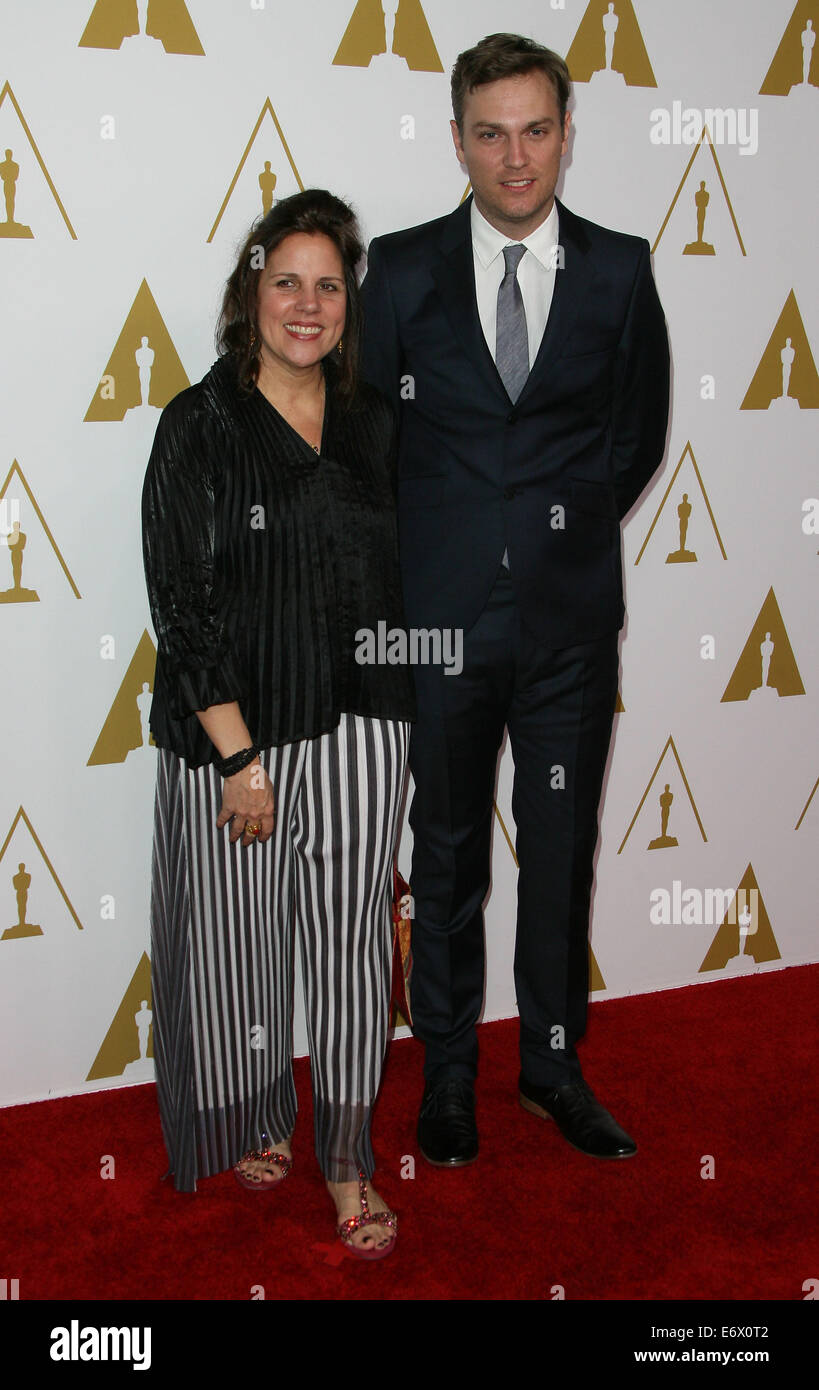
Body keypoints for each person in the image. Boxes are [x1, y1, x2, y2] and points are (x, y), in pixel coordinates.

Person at [361, 34, 670, 1167]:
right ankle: (449, 1074)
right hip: (440, 624)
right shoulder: (396, 271)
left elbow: (634, 433)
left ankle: (551, 1065)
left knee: (559, 846)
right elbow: (371, 443)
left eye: (536, 128)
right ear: (456, 140)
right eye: (489, 132)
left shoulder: (620, 269)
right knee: (445, 853)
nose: (515, 155)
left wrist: (561, 530)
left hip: (569, 624)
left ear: (566, 134)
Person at [142, 188, 415, 1258]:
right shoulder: (197, 424)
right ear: (249, 291)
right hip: (235, 741)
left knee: (348, 949)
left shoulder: (379, 426)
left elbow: (412, 579)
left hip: (359, 730)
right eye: (286, 280)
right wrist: (238, 754)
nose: (308, 304)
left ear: (351, 301)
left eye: (329, 285)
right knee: (245, 946)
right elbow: (182, 595)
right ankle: (261, 1114)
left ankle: (345, 1153)